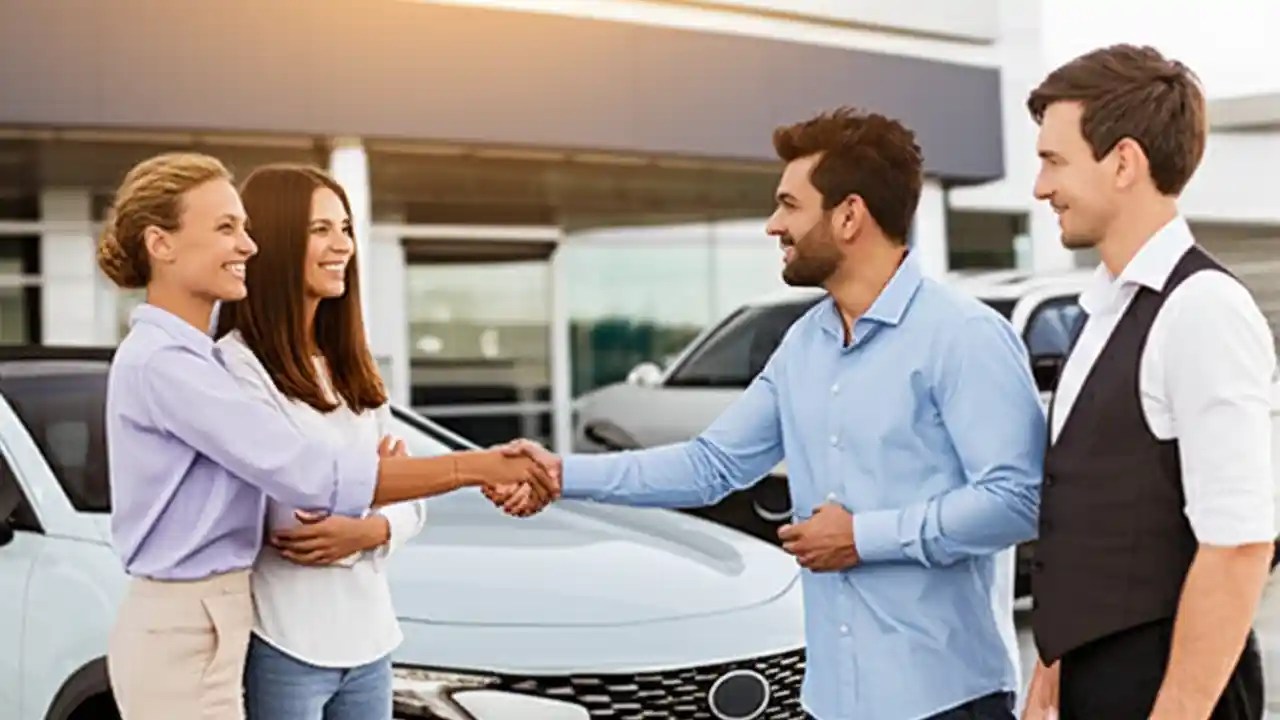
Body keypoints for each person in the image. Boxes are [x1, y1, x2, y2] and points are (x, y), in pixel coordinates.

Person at [491, 108, 1046, 720]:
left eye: (789, 204)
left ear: (849, 215)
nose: (772, 225)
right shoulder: (805, 343)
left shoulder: (964, 335)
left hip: (945, 702)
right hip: (830, 703)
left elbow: (1015, 500)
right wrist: (560, 475)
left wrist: (861, 538)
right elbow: (712, 465)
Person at [98, 152, 558, 720]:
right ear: (160, 244)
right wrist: (476, 467)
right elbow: (306, 487)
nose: (249, 246)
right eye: (227, 228)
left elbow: (329, 483)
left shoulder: (200, 361)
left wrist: (376, 515)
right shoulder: (175, 366)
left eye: (245, 227)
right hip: (200, 624)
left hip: (228, 617)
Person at [1019, 45, 1276, 720]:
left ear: (1124, 162)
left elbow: (1241, 544)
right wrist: (1051, 672)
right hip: (1095, 684)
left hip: (1169, 693)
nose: (1040, 187)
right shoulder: (1104, 309)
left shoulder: (1202, 308)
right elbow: (1086, 513)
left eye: (1054, 161)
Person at [208, 164, 424, 719]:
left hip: (371, 641)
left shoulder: (352, 363)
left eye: (346, 228)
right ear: (276, 242)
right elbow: (287, 517)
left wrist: (371, 527)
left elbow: (411, 501)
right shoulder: (236, 366)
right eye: (319, 230)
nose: (341, 246)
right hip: (283, 643)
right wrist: (375, 484)